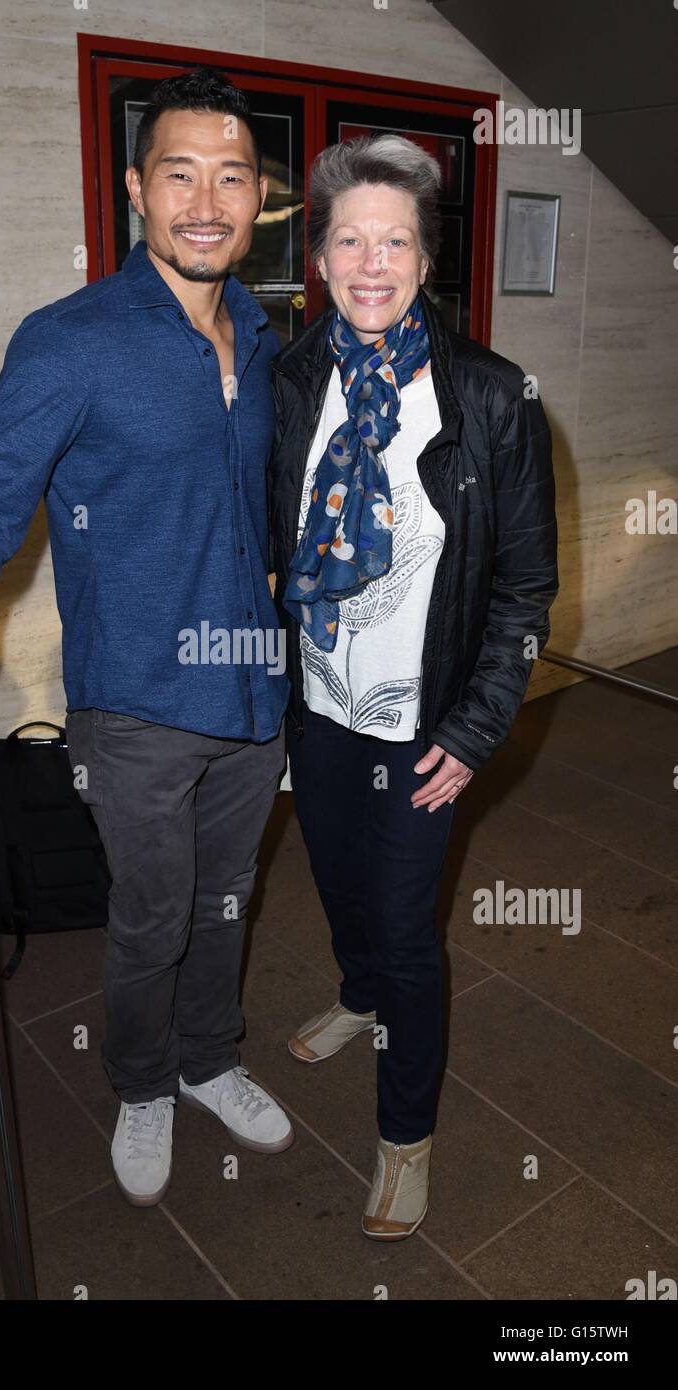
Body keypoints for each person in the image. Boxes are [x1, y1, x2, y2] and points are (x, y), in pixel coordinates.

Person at [0, 67, 294, 1209]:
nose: (205, 201)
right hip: (137, 706)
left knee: (227, 900)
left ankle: (209, 1056)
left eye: (231, 177)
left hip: (253, 697)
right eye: (178, 175)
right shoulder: (72, 340)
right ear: (134, 191)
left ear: (259, 197)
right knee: (150, 915)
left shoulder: (262, 339)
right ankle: (142, 1080)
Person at [267, 133, 558, 1239]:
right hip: (319, 709)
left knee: (403, 928)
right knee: (338, 886)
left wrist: (480, 728)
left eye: (393, 241)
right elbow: (264, 539)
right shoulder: (295, 379)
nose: (371, 262)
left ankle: (403, 1136)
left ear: (422, 260)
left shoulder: (489, 398)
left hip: (425, 729)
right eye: (349, 240)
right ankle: (354, 996)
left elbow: (527, 584)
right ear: (321, 259)